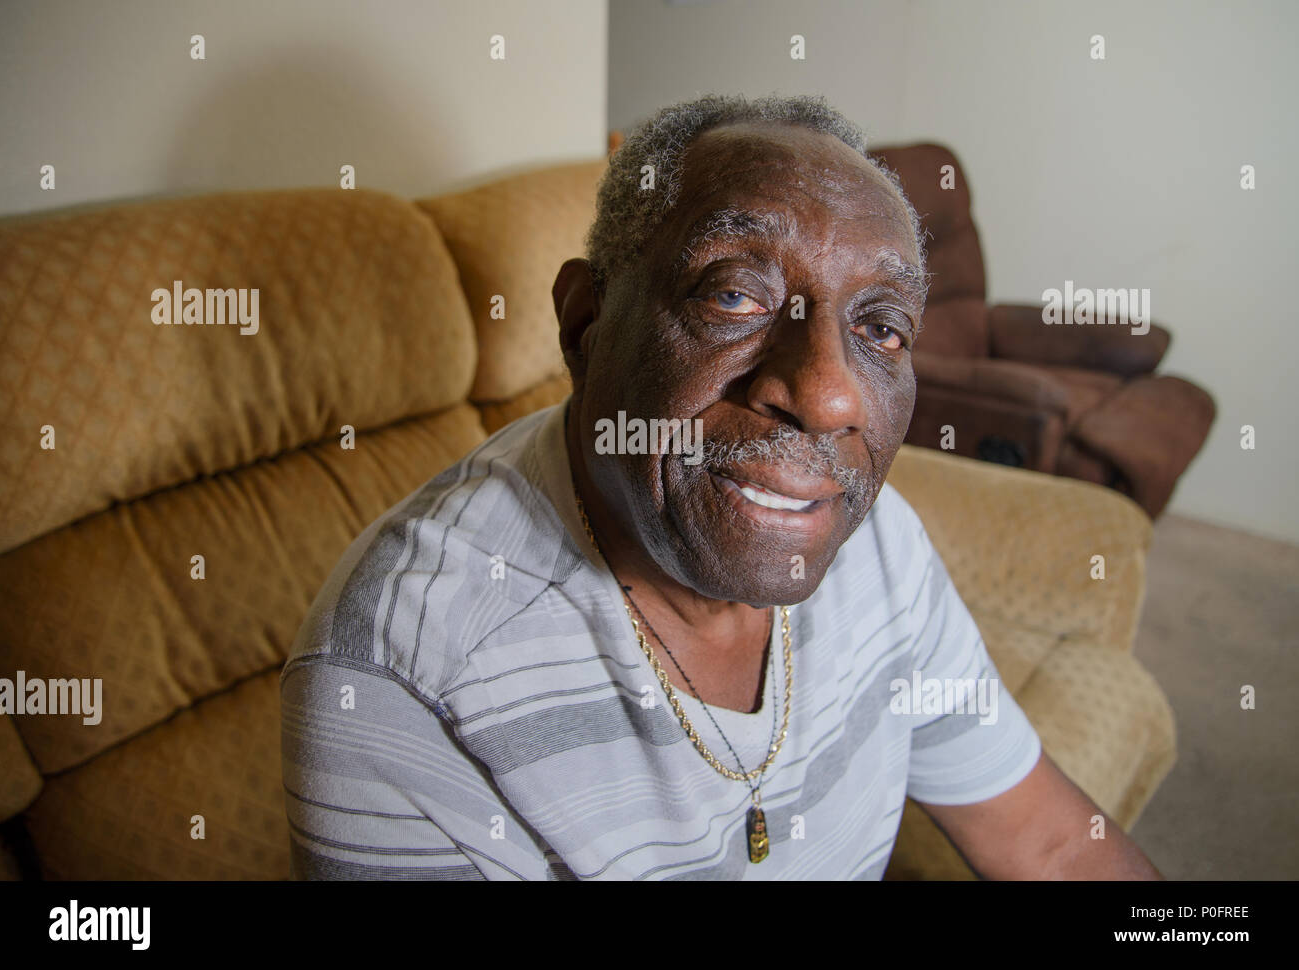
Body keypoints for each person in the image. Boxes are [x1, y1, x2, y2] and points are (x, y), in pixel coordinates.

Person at [280, 93, 1161, 880]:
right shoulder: (400, 681)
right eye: (736, 296)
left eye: (881, 328)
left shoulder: (878, 543)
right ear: (585, 325)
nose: (827, 396)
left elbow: (1048, 844)